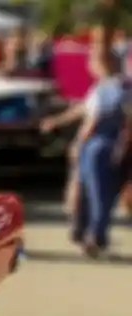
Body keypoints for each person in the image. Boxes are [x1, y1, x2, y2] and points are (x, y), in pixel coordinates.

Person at [42, 49, 128, 258]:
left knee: (96, 192)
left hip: (98, 144)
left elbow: (93, 119)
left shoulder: (110, 88)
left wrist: (79, 143)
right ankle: (90, 233)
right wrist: (58, 120)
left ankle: (93, 235)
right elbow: (84, 108)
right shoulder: (111, 87)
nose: (89, 66)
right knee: (98, 193)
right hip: (113, 144)